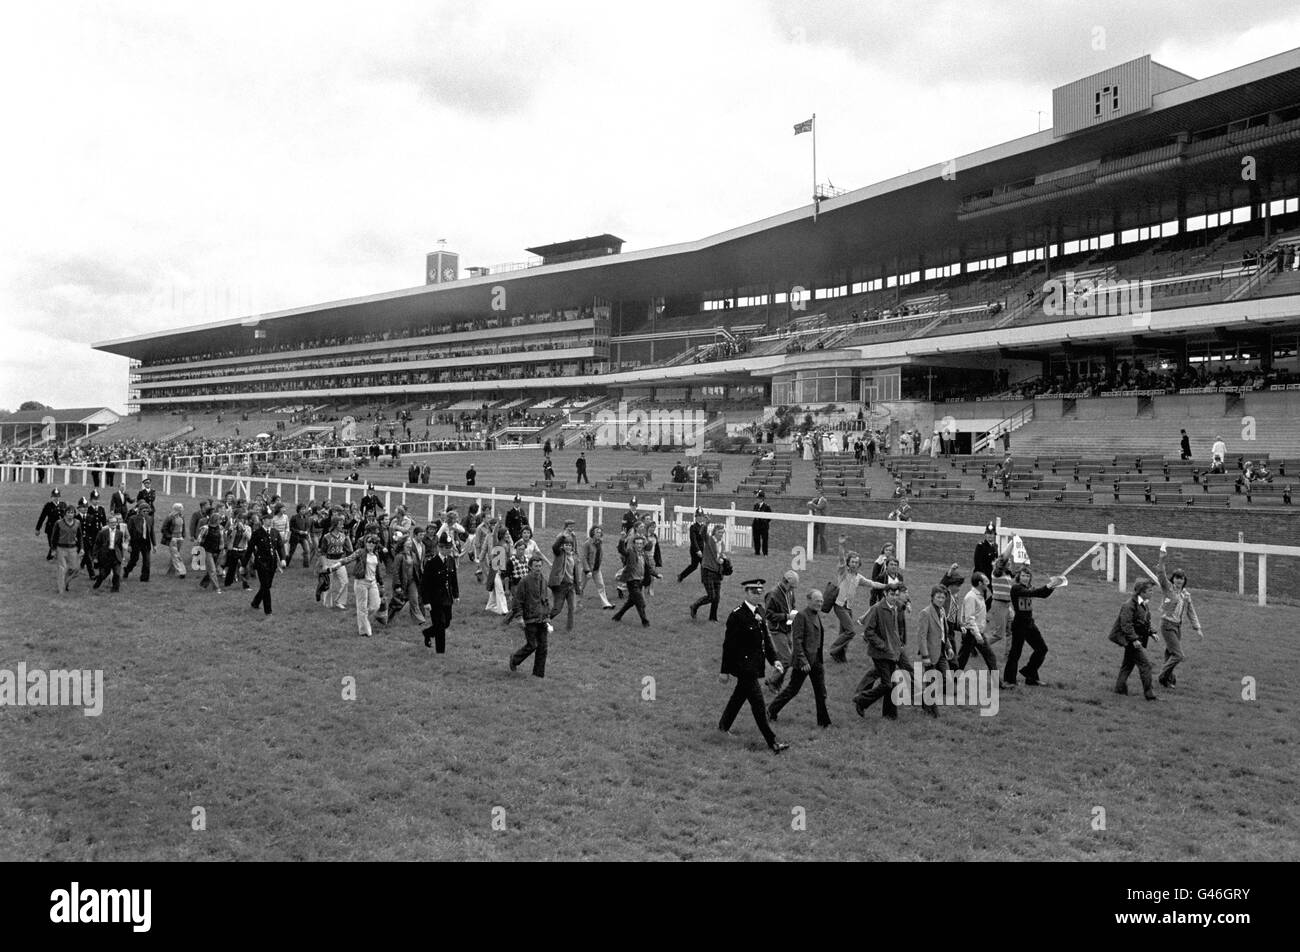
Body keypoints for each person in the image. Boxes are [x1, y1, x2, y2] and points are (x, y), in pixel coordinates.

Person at [718, 578, 788, 754]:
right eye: (754, 592)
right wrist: (724, 671)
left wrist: (775, 660)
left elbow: (766, 640)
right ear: (746, 592)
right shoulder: (737, 616)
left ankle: (723, 727)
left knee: (738, 697)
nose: (758, 595)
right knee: (758, 705)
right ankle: (772, 742)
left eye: (760, 592)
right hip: (744, 667)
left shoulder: (760, 612)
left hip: (755, 666)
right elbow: (728, 646)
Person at [767, 589, 831, 727]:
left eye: (821, 601)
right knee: (792, 690)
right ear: (809, 601)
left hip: (816, 661)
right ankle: (771, 710)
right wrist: (803, 661)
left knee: (821, 692)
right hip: (804, 662)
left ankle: (824, 722)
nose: (819, 604)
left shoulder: (816, 615)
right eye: (816, 601)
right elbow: (797, 641)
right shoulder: (802, 616)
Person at [852, 584, 910, 719]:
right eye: (891, 594)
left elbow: (894, 630)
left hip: (892, 652)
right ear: (885, 594)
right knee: (887, 684)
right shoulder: (877, 608)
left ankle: (889, 715)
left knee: (892, 683)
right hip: (880, 653)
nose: (894, 597)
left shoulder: (895, 608)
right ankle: (861, 700)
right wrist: (882, 645)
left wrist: (897, 645)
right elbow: (868, 632)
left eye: (896, 595)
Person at [827, 539, 887, 663]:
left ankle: (840, 656)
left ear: (859, 564)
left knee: (843, 632)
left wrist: (887, 586)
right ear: (848, 563)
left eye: (856, 562)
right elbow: (841, 559)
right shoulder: (842, 571)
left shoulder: (858, 578)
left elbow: (872, 583)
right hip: (839, 606)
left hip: (848, 608)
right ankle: (833, 649)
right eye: (852, 562)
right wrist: (841, 546)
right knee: (851, 631)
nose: (854, 564)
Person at [1004, 567, 1064, 687]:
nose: (1025, 578)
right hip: (1019, 625)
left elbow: (1042, 594)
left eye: (1027, 576)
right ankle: (1009, 680)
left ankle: (1030, 675)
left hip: (1030, 624)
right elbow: (1031, 593)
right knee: (1015, 653)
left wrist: (1053, 586)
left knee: (1042, 649)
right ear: (1019, 577)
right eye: (1023, 576)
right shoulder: (1016, 588)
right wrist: (1048, 585)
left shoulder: (1028, 587)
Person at [1155, 546, 1204, 689]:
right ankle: (1162, 677)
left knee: (1169, 653)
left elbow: (1191, 612)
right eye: (1176, 578)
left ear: (1184, 580)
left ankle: (1168, 679)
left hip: (1177, 627)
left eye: (1181, 578)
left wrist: (1198, 628)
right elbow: (1161, 575)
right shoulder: (1168, 588)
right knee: (1178, 655)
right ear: (1173, 579)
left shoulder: (1186, 595)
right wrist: (1162, 558)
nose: (1178, 581)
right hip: (1167, 625)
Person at [1109, 579, 1160, 701]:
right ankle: (1150, 695)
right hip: (1131, 641)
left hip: (1133, 640)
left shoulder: (1143, 603)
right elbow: (1126, 624)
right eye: (1150, 590)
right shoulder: (1129, 605)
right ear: (1141, 592)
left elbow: (1143, 622)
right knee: (1146, 666)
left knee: (1127, 665)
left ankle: (1119, 689)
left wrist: (1151, 633)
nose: (1152, 593)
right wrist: (1134, 639)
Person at [509, 554, 552, 677]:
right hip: (529, 619)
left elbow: (546, 600)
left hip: (542, 619)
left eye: (540, 566)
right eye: (536, 566)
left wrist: (547, 615)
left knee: (543, 648)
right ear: (530, 567)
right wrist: (519, 617)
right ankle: (514, 659)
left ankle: (538, 675)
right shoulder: (524, 581)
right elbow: (518, 601)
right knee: (532, 645)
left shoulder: (543, 580)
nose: (538, 568)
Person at [339, 535, 386, 637]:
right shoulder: (360, 552)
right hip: (361, 582)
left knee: (375, 605)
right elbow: (348, 559)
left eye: (373, 542)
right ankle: (365, 632)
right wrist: (337, 564)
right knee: (362, 607)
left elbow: (377, 571)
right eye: (369, 542)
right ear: (365, 542)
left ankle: (362, 617)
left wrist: (381, 583)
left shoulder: (376, 555)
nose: (371, 544)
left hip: (372, 582)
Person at [419, 537, 459, 651]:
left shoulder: (450, 560)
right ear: (440, 548)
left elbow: (453, 579)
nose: (449, 550)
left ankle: (427, 633)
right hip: (434, 600)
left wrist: (456, 595)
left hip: (447, 598)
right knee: (440, 625)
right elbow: (424, 585)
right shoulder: (431, 563)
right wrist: (426, 601)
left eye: (450, 547)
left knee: (446, 622)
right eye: (447, 548)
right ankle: (440, 652)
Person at [612, 535, 659, 626]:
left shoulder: (644, 554)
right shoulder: (630, 552)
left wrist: (656, 575)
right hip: (632, 581)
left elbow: (648, 568)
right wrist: (622, 540)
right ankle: (645, 621)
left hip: (640, 582)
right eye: (637, 543)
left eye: (641, 544)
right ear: (634, 544)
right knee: (640, 602)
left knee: (631, 602)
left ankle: (618, 616)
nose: (639, 545)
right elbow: (622, 550)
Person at [763, 571, 798, 691]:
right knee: (787, 660)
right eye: (792, 586)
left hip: (788, 628)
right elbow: (768, 614)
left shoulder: (790, 591)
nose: (793, 589)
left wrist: (793, 614)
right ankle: (772, 682)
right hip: (777, 630)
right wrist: (786, 617)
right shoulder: (772, 594)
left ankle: (776, 682)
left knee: (785, 659)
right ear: (785, 581)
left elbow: (793, 605)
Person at [690, 523, 727, 623]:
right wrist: (706, 524)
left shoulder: (722, 543)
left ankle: (713, 618)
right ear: (714, 532)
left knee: (717, 598)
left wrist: (723, 560)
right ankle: (694, 606)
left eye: (722, 532)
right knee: (711, 596)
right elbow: (701, 533)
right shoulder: (709, 539)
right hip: (707, 570)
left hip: (717, 572)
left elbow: (721, 556)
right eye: (719, 532)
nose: (721, 534)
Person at [246, 512, 282, 616]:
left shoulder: (275, 532)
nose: (270, 521)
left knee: (267, 585)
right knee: (266, 586)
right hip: (261, 562)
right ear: (263, 521)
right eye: (268, 519)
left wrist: (283, 558)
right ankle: (268, 611)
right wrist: (244, 564)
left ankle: (255, 602)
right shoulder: (257, 533)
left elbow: (279, 547)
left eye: (271, 519)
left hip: (272, 562)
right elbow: (250, 549)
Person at [548, 537, 581, 631]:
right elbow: (554, 547)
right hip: (560, 585)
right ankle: (545, 619)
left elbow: (575, 573)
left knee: (572, 608)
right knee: (557, 608)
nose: (568, 547)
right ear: (563, 546)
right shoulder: (560, 554)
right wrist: (562, 537)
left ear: (572, 547)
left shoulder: (573, 557)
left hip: (570, 586)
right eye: (566, 545)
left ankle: (569, 629)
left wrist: (577, 588)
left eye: (570, 545)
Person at [319, 516, 352, 608]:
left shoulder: (343, 536)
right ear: (335, 525)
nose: (342, 525)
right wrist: (325, 565)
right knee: (329, 584)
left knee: (345, 581)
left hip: (340, 561)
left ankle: (339, 601)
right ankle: (327, 603)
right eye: (340, 523)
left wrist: (348, 538)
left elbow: (350, 549)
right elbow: (322, 553)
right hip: (329, 561)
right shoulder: (327, 537)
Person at [581, 525, 615, 609]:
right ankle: (576, 603)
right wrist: (587, 570)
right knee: (581, 587)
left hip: (596, 570)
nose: (599, 534)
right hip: (588, 570)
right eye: (597, 532)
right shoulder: (587, 543)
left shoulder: (599, 542)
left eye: (600, 532)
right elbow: (584, 558)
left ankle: (606, 604)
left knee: (601, 586)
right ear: (592, 533)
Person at [92, 513, 129, 593]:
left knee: (117, 573)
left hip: (115, 555)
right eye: (111, 523)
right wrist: (95, 557)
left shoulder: (120, 533)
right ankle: (97, 583)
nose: (113, 524)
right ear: (108, 523)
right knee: (103, 574)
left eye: (115, 522)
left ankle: (115, 589)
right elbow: (97, 545)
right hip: (105, 555)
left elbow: (119, 546)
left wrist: (122, 556)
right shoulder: (102, 533)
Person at [52, 503, 83, 593]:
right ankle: (61, 590)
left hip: (73, 548)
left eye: (72, 513)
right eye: (68, 512)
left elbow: (80, 536)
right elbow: (54, 537)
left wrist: (81, 548)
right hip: (61, 548)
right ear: (65, 513)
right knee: (62, 568)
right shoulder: (59, 523)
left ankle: (65, 582)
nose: (70, 514)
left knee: (75, 568)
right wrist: (53, 550)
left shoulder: (77, 523)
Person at [122, 504, 155, 583]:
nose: (146, 513)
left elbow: (152, 532)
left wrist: (154, 544)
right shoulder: (132, 519)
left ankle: (144, 578)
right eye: (144, 511)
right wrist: (129, 545)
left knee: (147, 561)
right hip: (135, 542)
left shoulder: (150, 519)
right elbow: (129, 532)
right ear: (139, 511)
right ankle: (127, 570)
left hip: (146, 543)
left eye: (147, 511)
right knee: (134, 559)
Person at [677, 509, 708, 583]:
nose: (700, 518)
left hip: (702, 549)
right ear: (696, 517)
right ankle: (681, 576)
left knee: (704, 565)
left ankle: (704, 581)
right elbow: (693, 540)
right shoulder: (693, 527)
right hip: (695, 550)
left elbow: (705, 538)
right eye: (699, 516)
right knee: (694, 566)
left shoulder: (704, 527)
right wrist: (697, 550)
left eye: (701, 516)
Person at [197, 513, 225, 594]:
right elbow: (199, 540)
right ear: (215, 520)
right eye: (219, 519)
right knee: (212, 570)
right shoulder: (206, 528)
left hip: (218, 552)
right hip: (207, 551)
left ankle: (203, 584)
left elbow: (222, 539)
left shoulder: (220, 528)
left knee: (213, 569)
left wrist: (222, 548)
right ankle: (217, 588)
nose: (220, 521)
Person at [161, 502, 187, 578]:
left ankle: (171, 572)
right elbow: (163, 529)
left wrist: (183, 535)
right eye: (181, 508)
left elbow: (183, 526)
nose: (182, 509)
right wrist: (170, 537)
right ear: (177, 509)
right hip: (173, 539)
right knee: (176, 556)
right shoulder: (170, 517)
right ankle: (182, 572)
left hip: (180, 538)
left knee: (175, 555)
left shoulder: (182, 516)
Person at [36, 488, 63, 561]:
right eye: (54, 496)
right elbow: (42, 517)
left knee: (58, 543)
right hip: (50, 528)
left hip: (60, 528)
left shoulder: (62, 505)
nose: (56, 498)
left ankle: (51, 557)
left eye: (57, 496)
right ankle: (51, 556)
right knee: (52, 544)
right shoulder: (48, 506)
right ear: (52, 497)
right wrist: (38, 528)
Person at [751, 491, 771, 556]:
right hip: (756, 525)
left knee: (764, 539)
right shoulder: (756, 506)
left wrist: (765, 521)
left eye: (759, 498)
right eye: (758, 498)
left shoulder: (767, 506)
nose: (758, 499)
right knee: (756, 538)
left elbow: (770, 517)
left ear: (762, 499)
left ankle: (765, 552)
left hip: (763, 526)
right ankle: (757, 552)